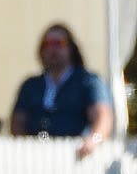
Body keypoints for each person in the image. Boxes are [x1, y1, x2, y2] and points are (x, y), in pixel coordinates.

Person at [10, 23, 113, 159]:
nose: (53, 49)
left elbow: (103, 116)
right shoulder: (31, 85)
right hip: (37, 157)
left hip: (76, 156)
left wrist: (93, 141)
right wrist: (27, 148)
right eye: (48, 44)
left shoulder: (88, 81)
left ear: (71, 48)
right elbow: (17, 122)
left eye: (59, 43)